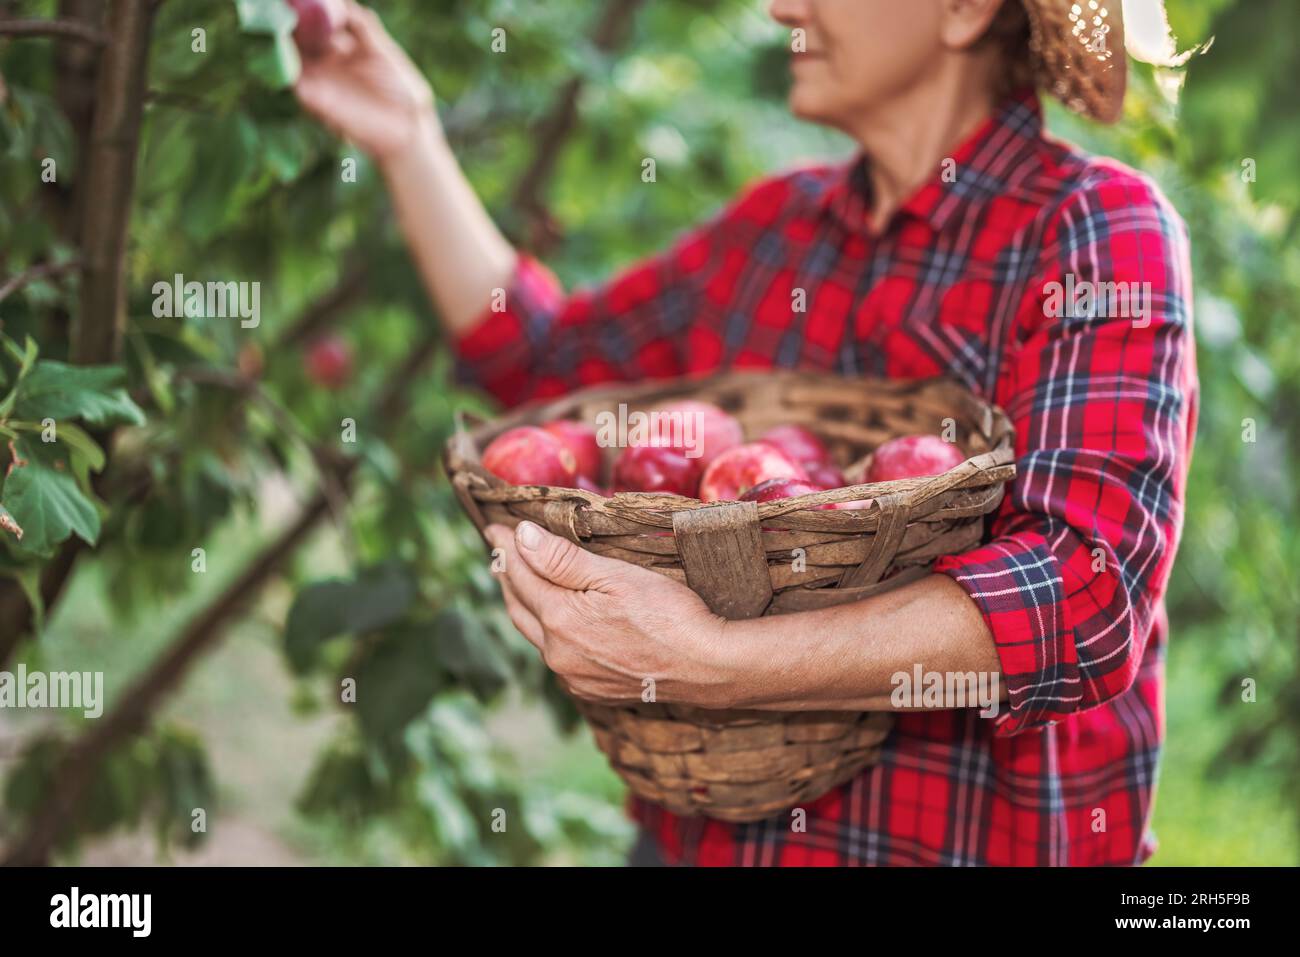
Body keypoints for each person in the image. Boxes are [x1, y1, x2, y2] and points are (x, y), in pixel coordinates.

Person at [296, 0, 1198, 866]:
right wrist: (409, 136)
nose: (779, 6)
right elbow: (548, 364)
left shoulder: (1090, 231)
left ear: (964, 7)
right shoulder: (776, 233)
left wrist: (714, 664)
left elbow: (1085, 591)